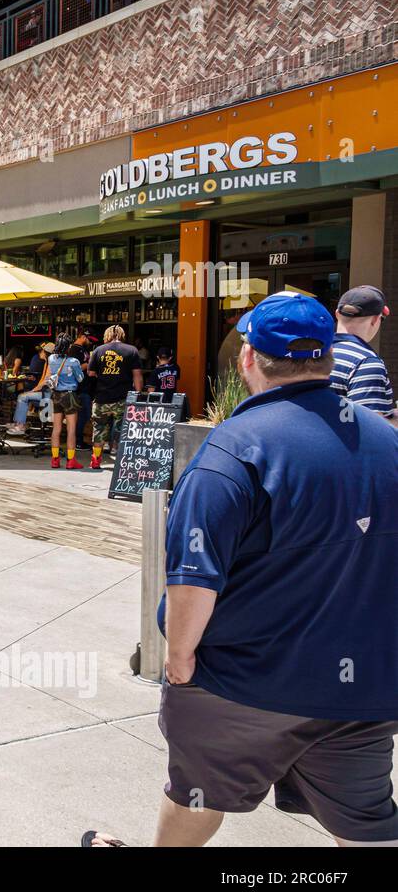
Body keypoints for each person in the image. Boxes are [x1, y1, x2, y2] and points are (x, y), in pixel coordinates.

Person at [85, 292, 398, 848]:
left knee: (197, 793)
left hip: (242, 685)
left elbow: (193, 577)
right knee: (366, 823)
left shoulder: (233, 450)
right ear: (330, 355)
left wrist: (178, 660)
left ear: (248, 357)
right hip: (362, 692)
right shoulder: (388, 442)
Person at [328, 285, 396, 427]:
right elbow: (371, 429)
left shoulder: (315, 351)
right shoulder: (365, 362)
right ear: (375, 319)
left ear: (337, 314)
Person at [87, 325, 143, 471]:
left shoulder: (98, 350)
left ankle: (95, 460)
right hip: (123, 398)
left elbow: (91, 373)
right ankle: (121, 461)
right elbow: (137, 375)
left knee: (99, 429)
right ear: (121, 335)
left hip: (101, 398)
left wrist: (102, 375)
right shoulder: (132, 350)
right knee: (123, 429)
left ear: (108, 335)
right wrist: (138, 394)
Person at [45, 333, 85, 469]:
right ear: (68, 346)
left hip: (56, 395)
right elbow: (80, 378)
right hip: (70, 396)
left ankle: (55, 460)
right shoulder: (74, 362)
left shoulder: (51, 358)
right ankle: (70, 460)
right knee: (71, 430)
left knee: (56, 428)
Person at [9, 342, 54, 435]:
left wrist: (34, 389)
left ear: (46, 353)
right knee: (24, 395)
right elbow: (42, 380)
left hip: (49, 394)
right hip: (45, 391)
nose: (41, 352)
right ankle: (19, 424)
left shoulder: (51, 363)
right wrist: (35, 389)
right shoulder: (47, 362)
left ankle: (20, 426)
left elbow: (45, 381)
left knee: (22, 397)